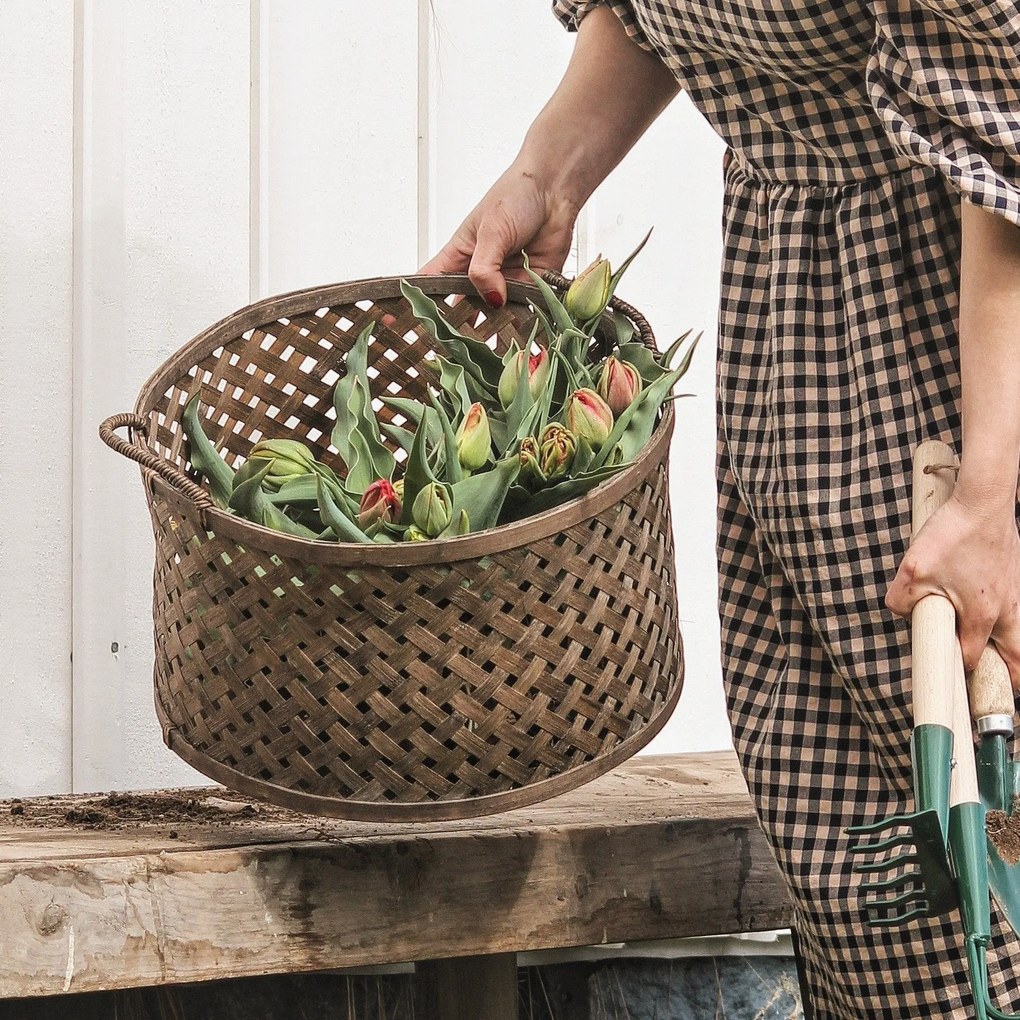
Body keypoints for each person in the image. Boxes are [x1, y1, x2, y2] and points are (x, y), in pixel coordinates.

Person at [420, 2, 1020, 1017]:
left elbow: (1009, 143)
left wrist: (991, 495)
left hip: (974, 324)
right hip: (803, 327)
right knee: (841, 820)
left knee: (986, 803)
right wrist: (545, 177)